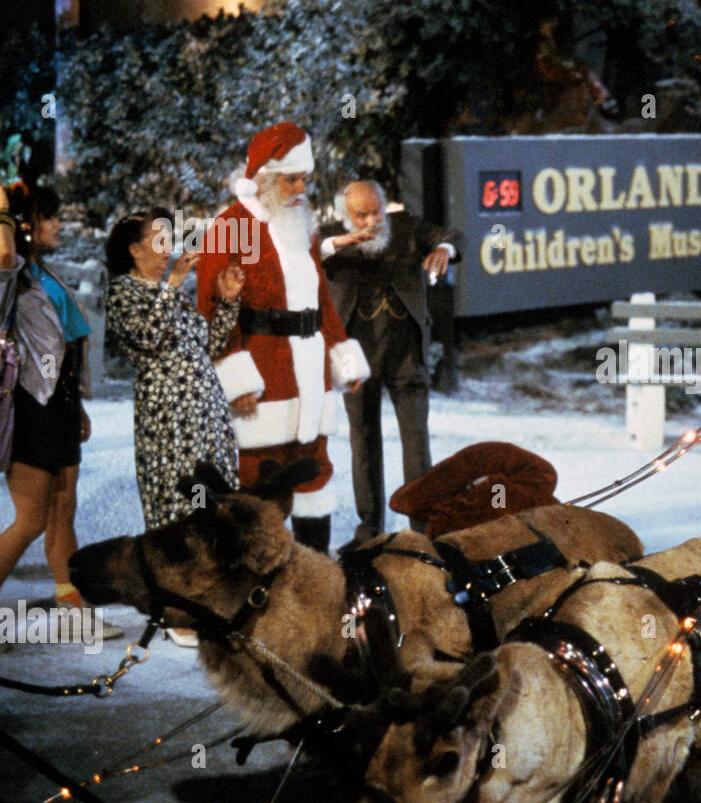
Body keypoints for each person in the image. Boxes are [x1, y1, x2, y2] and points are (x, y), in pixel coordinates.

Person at [196, 122, 369, 553]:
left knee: (314, 470)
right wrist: (235, 381)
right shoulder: (232, 226)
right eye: (291, 178)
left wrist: (342, 354)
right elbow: (210, 306)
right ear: (265, 179)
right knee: (257, 476)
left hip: (310, 373)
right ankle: (252, 586)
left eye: (303, 178)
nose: (300, 188)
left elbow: (321, 300)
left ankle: (314, 579)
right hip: (262, 369)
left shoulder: (302, 226)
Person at [104, 212, 247, 642]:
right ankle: (175, 608)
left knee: (208, 500)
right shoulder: (123, 292)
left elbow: (207, 343)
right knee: (177, 500)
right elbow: (146, 338)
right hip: (169, 418)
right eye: (158, 238)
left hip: (205, 414)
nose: (168, 245)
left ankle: (206, 598)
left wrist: (227, 300)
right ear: (134, 249)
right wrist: (171, 287)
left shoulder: (172, 294)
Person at [0, 185, 120, 639]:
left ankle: (73, 611)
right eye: (48, 217)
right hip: (32, 407)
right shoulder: (14, 276)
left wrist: (80, 405)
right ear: (27, 226)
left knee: (62, 513)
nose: (58, 225)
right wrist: (4, 215)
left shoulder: (47, 274)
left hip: (63, 405)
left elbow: (69, 345)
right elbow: (2, 257)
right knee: (31, 519)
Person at [319, 181, 460, 545]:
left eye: (376, 210)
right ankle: (370, 530)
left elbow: (451, 234)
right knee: (363, 441)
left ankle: (421, 529)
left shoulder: (407, 227)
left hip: (406, 353)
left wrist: (444, 247)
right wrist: (335, 244)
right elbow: (301, 255)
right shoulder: (330, 238)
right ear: (344, 215)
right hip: (356, 359)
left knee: (416, 440)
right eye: (360, 215)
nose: (371, 221)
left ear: (386, 205)